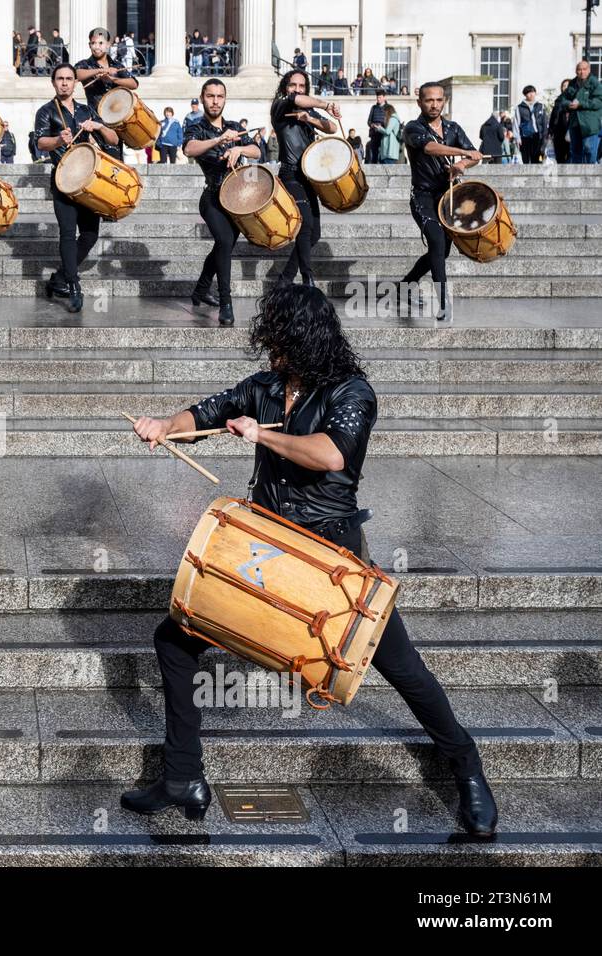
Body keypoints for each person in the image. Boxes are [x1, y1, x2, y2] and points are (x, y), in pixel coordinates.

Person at [121, 285, 499, 839]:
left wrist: (263, 438)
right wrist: (163, 425)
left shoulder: (353, 393)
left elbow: (331, 454)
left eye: (278, 336)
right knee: (174, 638)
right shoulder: (269, 387)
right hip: (268, 547)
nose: (269, 346)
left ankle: (467, 766)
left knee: (401, 668)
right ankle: (182, 777)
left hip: (333, 559)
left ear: (301, 339)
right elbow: (207, 411)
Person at [35, 63, 120, 312]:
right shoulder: (46, 111)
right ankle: (73, 284)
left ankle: (60, 277)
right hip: (63, 181)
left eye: (69, 78)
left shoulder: (86, 110)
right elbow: (40, 142)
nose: (64, 83)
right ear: (53, 83)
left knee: (91, 235)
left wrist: (100, 127)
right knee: (67, 233)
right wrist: (57, 140)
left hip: (88, 182)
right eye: (60, 78)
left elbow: (114, 139)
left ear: (75, 83)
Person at [399, 82, 482, 321]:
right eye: (429, 100)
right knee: (435, 240)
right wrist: (464, 153)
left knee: (441, 251)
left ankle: (405, 285)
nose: (434, 105)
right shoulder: (413, 127)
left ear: (444, 101)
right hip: (423, 196)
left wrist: (461, 164)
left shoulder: (453, 127)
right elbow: (430, 148)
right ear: (420, 102)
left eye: (438, 100)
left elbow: (473, 155)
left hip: (448, 195)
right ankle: (443, 302)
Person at [183, 78, 260, 327]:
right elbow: (189, 149)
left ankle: (201, 290)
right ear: (203, 97)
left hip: (237, 200)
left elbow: (257, 151)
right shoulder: (197, 127)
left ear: (225, 99)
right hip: (212, 198)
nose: (215, 101)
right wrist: (218, 141)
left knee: (221, 246)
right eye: (210, 96)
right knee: (225, 242)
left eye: (220, 96)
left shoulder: (235, 126)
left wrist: (240, 150)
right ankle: (226, 303)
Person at [271, 69, 340, 288]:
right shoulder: (280, 105)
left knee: (314, 234)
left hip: (311, 176)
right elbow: (295, 99)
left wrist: (311, 117)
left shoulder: (308, 110)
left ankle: (284, 280)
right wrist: (325, 104)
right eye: (293, 85)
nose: (298, 89)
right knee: (305, 224)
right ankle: (308, 278)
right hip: (290, 174)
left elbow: (333, 127)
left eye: (302, 86)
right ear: (286, 87)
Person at [75, 28, 138, 159]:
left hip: (116, 121)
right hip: (95, 117)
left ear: (108, 45)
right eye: (93, 43)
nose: (96, 47)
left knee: (116, 159)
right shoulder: (85, 64)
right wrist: (98, 71)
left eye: (100, 43)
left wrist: (113, 79)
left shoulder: (116, 65)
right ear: (89, 45)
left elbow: (134, 83)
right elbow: (76, 74)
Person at [563, 60, 602, 164]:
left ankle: (590, 177)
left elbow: (599, 101)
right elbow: (563, 100)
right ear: (576, 71)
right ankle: (576, 178)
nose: (582, 72)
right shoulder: (572, 83)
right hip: (575, 123)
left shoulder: (594, 83)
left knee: (589, 149)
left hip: (589, 124)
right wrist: (568, 105)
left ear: (589, 70)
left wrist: (580, 104)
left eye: (584, 69)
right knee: (575, 151)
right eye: (579, 69)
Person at [550, 78, 573, 163]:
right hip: (558, 131)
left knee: (571, 154)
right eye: (564, 86)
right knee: (559, 155)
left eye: (568, 86)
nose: (565, 88)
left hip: (570, 130)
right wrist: (550, 130)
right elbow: (553, 116)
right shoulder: (558, 100)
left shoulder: (575, 100)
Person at [366, 90, 387, 162]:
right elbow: (369, 121)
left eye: (380, 97)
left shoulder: (388, 108)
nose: (378, 99)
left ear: (384, 98)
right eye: (377, 98)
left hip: (383, 134)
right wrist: (372, 125)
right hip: (374, 134)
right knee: (374, 154)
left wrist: (382, 126)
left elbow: (390, 121)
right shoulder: (373, 108)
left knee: (383, 154)